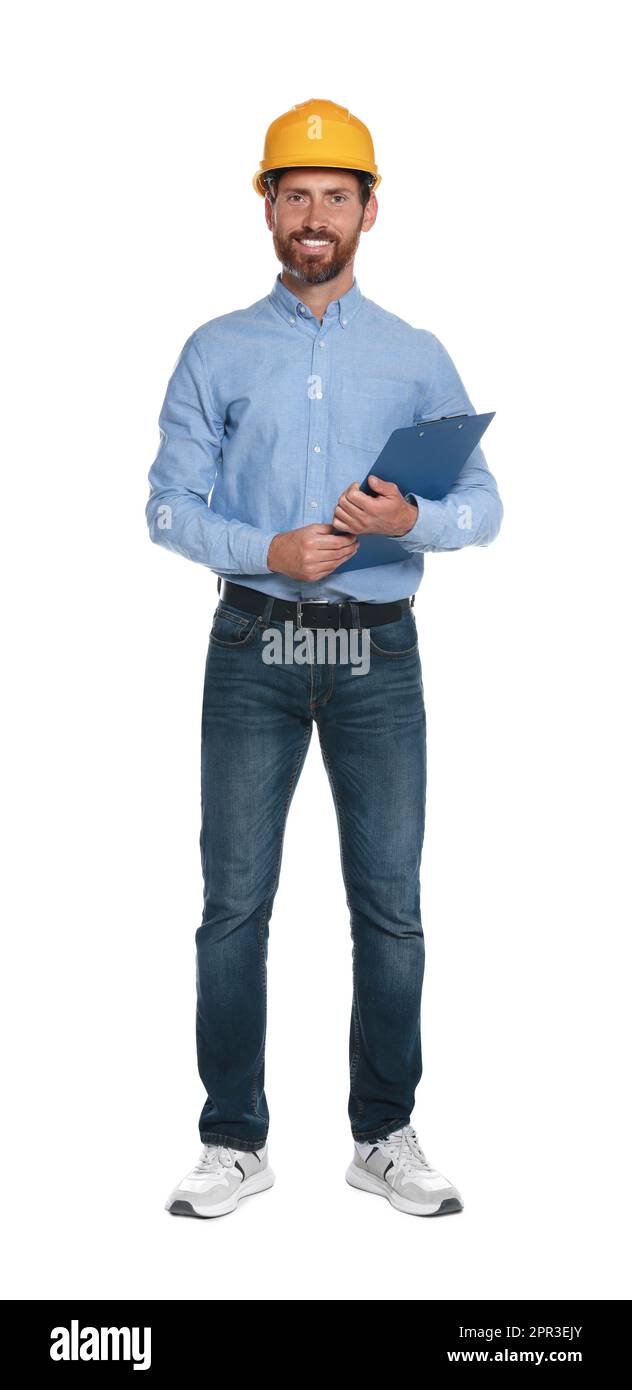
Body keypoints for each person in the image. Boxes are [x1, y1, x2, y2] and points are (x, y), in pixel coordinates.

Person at [146, 98, 503, 1219]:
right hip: (253, 638)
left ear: (367, 209)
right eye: (293, 193)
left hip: (376, 655)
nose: (313, 214)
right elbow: (164, 505)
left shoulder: (413, 356)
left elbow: (482, 503)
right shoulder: (215, 348)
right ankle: (232, 1139)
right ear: (265, 206)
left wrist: (411, 523)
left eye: (333, 196)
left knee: (388, 904)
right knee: (232, 904)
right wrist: (265, 545)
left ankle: (382, 1133)